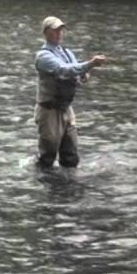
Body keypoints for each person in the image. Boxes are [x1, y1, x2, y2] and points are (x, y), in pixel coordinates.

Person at [34, 15, 108, 169]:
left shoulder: (68, 53)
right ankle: (42, 186)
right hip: (49, 111)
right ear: (46, 33)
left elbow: (76, 73)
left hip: (67, 108)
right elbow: (64, 70)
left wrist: (84, 76)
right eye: (56, 30)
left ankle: (68, 186)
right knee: (47, 157)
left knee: (71, 156)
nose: (60, 33)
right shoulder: (43, 56)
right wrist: (91, 64)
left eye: (61, 30)